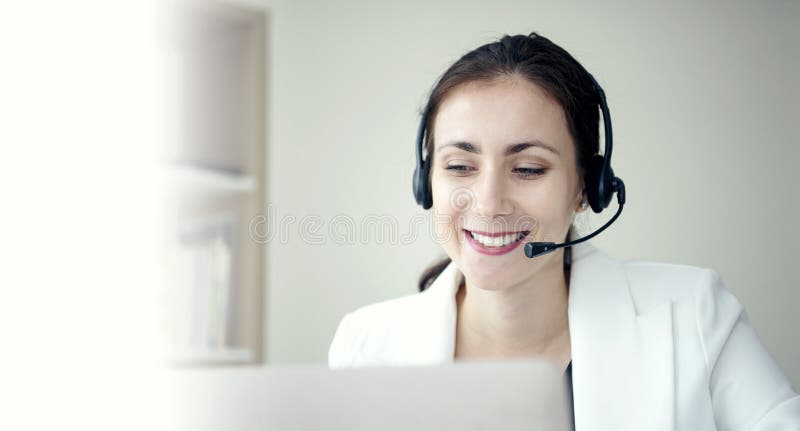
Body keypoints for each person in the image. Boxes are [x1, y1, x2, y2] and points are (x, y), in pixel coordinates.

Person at [328, 32, 800, 429]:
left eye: (529, 168)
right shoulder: (365, 344)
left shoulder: (694, 316)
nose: (489, 202)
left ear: (586, 187)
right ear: (425, 182)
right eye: (459, 165)